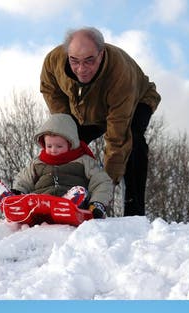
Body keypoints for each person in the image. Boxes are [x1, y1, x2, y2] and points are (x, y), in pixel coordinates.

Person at [40, 27, 161, 217]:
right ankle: (61, 196)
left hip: (136, 101)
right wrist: (67, 125)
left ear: (101, 53)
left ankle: (134, 211)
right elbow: (50, 89)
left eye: (89, 61)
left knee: (133, 142)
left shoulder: (120, 74)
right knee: (66, 141)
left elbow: (117, 139)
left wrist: (105, 189)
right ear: (67, 54)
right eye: (75, 61)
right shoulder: (53, 60)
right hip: (90, 108)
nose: (82, 69)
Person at [0, 113, 114, 218]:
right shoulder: (38, 163)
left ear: (71, 144)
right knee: (32, 198)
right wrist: (18, 190)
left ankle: (69, 203)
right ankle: (14, 200)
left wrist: (97, 203)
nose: (53, 150)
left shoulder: (83, 160)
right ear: (43, 144)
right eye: (49, 146)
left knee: (77, 194)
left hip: (75, 203)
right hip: (41, 202)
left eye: (59, 146)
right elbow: (24, 180)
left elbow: (101, 182)